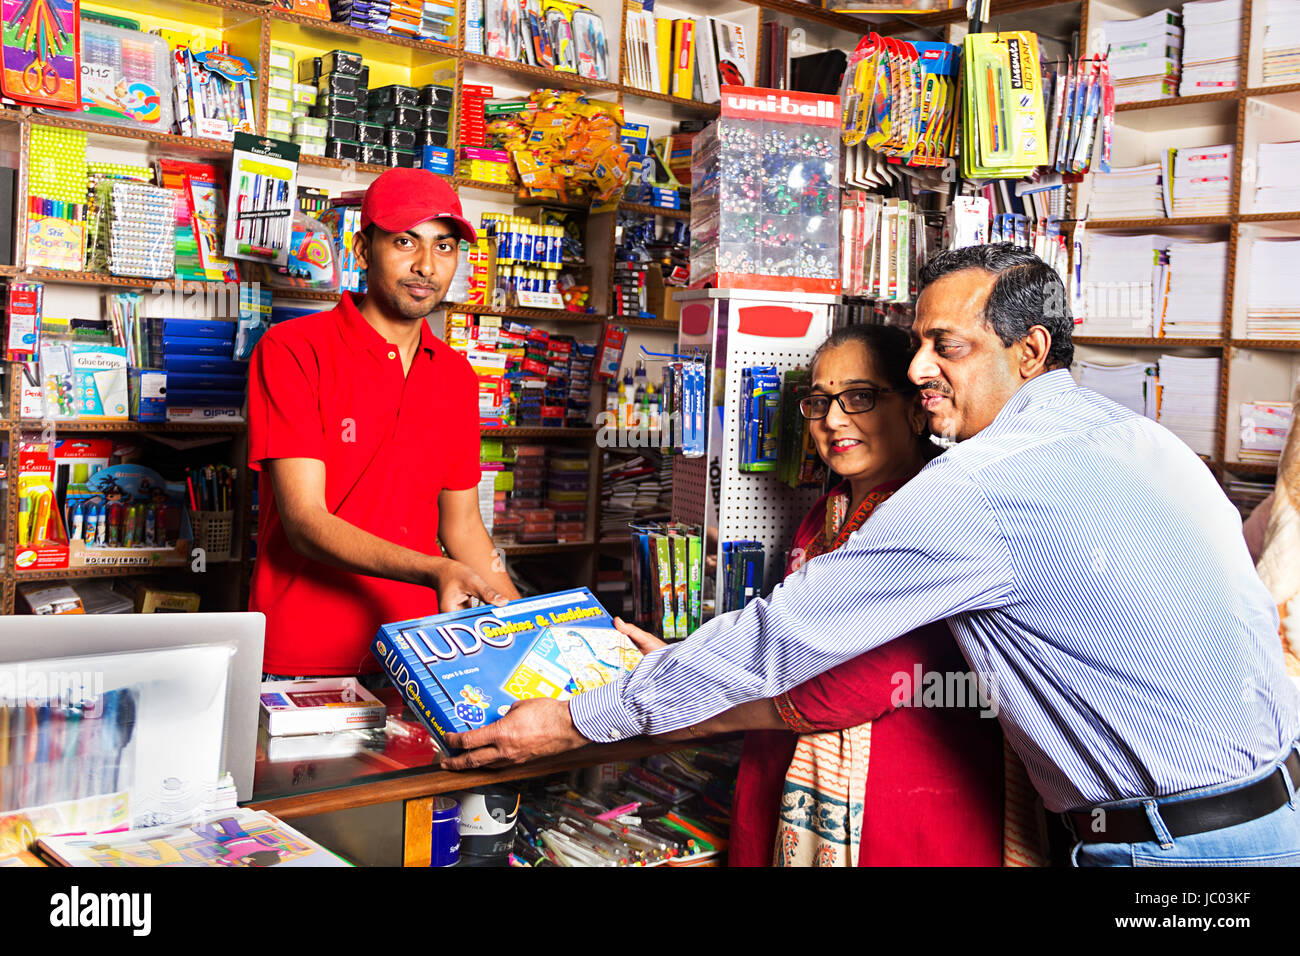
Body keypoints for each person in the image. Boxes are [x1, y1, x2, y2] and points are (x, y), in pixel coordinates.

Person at [443, 243, 1300, 868]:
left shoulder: (980, 485)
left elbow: (786, 647)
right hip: (1265, 815)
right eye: (919, 344)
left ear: (1030, 352)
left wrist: (569, 719)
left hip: (1172, 853)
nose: (924, 368)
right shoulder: (1142, 441)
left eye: (947, 348)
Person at [621, 323, 1015, 867]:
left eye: (859, 397)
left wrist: (673, 700)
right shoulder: (822, 515)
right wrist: (678, 668)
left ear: (914, 409)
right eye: (820, 401)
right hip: (785, 773)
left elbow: (857, 684)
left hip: (900, 791)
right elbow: (781, 648)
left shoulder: (935, 517)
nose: (832, 420)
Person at [248, 168, 515, 680]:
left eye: (444, 247)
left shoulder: (456, 375)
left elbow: (463, 529)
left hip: (425, 656)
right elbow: (306, 523)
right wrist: (435, 569)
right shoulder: (292, 351)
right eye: (404, 241)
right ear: (363, 248)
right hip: (304, 657)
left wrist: (527, 628)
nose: (425, 266)